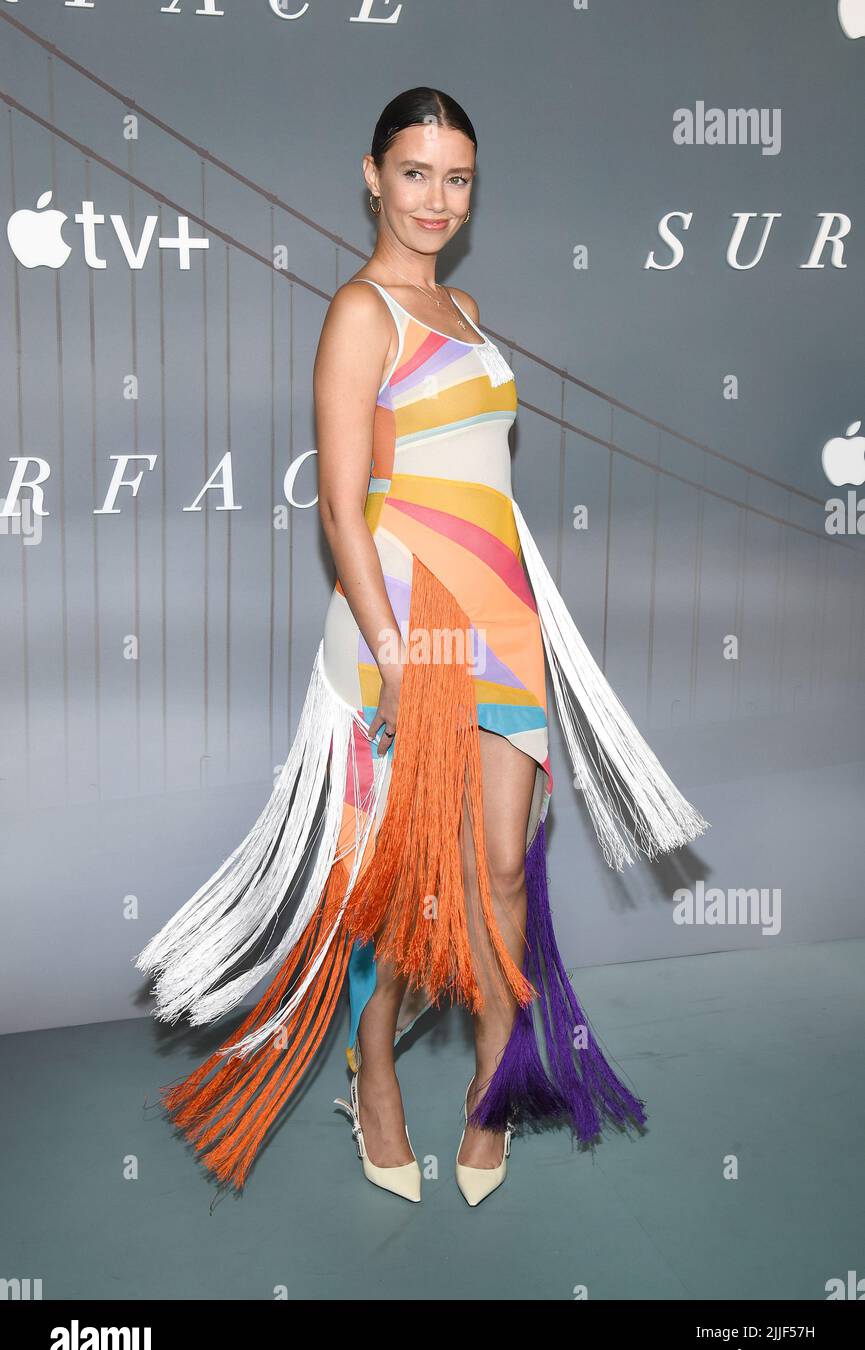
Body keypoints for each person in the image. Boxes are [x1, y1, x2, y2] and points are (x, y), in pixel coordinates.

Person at [135, 87, 709, 1206]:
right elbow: (342, 509)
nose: (435, 198)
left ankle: (492, 1087)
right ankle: (379, 1079)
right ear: (371, 175)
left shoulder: (467, 309)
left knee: (499, 872)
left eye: (456, 178)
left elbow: (486, 488)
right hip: (409, 629)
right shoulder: (361, 312)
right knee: (395, 889)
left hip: (502, 619)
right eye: (414, 173)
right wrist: (395, 653)